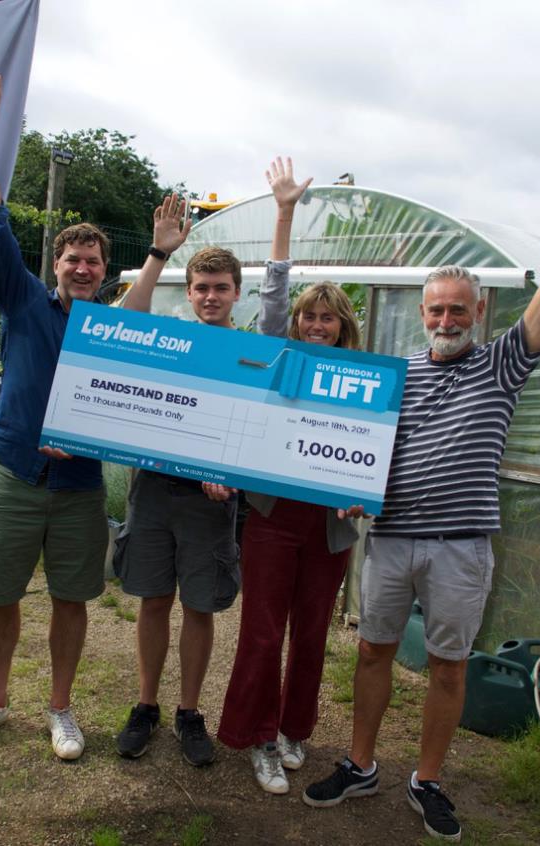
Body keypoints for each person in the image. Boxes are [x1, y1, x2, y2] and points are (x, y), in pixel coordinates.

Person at [303, 142, 540, 842]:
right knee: (372, 652)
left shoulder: (505, 364)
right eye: (435, 309)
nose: (445, 319)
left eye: (457, 309)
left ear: (480, 308)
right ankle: (361, 762)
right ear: (422, 311)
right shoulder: (396, 375)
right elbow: (362, 452)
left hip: (460, 547)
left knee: (447, 666)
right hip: (392, 540)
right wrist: (350, 489)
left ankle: (427, 781)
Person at [0, 67, 190, 761]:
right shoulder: (25, 303)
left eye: (92, 261)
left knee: (71, 600)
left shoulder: (113, 328)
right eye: (71, 257)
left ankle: (60, 709)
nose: (81, 267)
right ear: (54, 264)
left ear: (104, 272)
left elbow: (140, 307)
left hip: (79, 486)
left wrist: (158, 252)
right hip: (14, 478)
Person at [212, 157, 364, 794]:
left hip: (328, 529)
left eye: (327, 319)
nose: (315, 326)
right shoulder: (281, 358)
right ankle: (260, 738)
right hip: (273, 519)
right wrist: (284, 212)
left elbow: (370, 453)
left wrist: (362, 497)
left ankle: (296, 728)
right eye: (309, 317)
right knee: (263, 631)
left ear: (344, 327)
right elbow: (273, 293)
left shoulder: (364, 385)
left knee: (311, 638)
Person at [111, 240, 247, 768]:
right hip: (153, 491)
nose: (211, 297)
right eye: (202, 289)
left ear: (237, 293)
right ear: (188, 294)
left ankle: (189, 712)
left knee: (199, 607)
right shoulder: (172, 341)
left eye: (221, 288)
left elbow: (253, 425)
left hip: (208, 505)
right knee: (152, 600)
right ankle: (147, 705)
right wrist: (159, 251)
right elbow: (128, 318)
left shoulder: (250, 354)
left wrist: (227, 473)